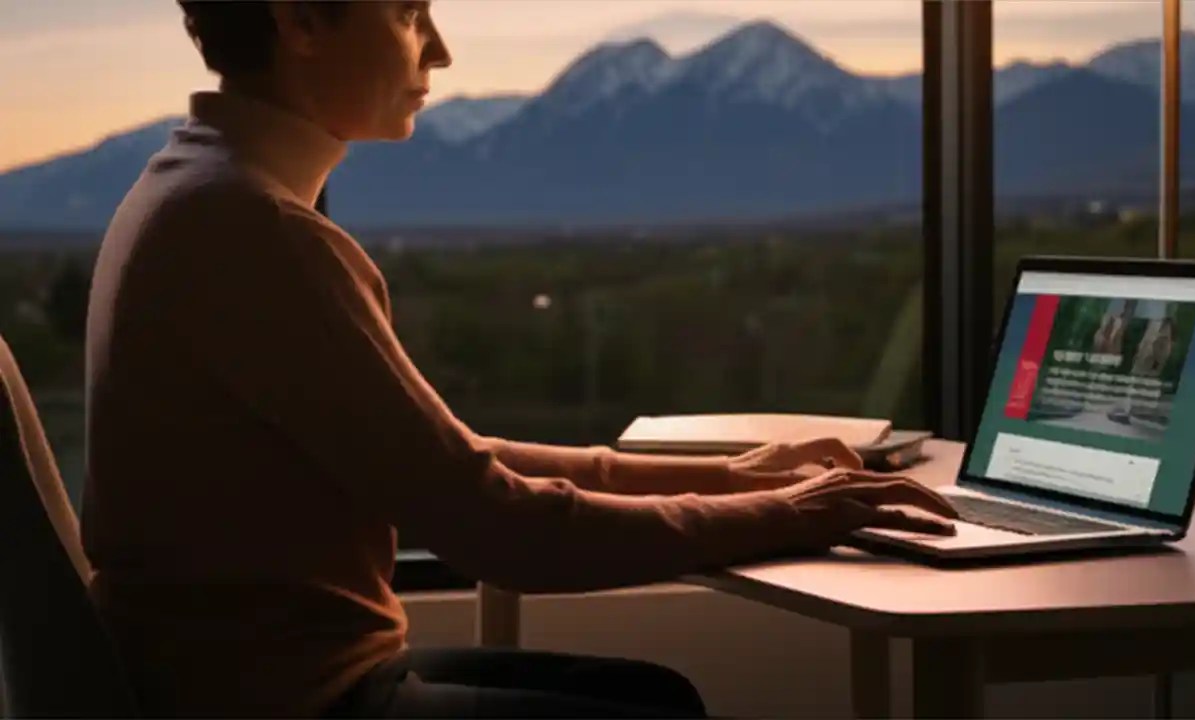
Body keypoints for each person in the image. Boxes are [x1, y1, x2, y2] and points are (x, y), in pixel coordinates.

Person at [82, 2, 957, 717]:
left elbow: (455, 466)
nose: (443, 49)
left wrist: (736, 478)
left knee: (653, 697)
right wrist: (790, 517)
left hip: (248, 685)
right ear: (302, 19)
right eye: (407, 11)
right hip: (287, 705)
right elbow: (499, 528)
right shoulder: (255, 231)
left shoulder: (193, 187)